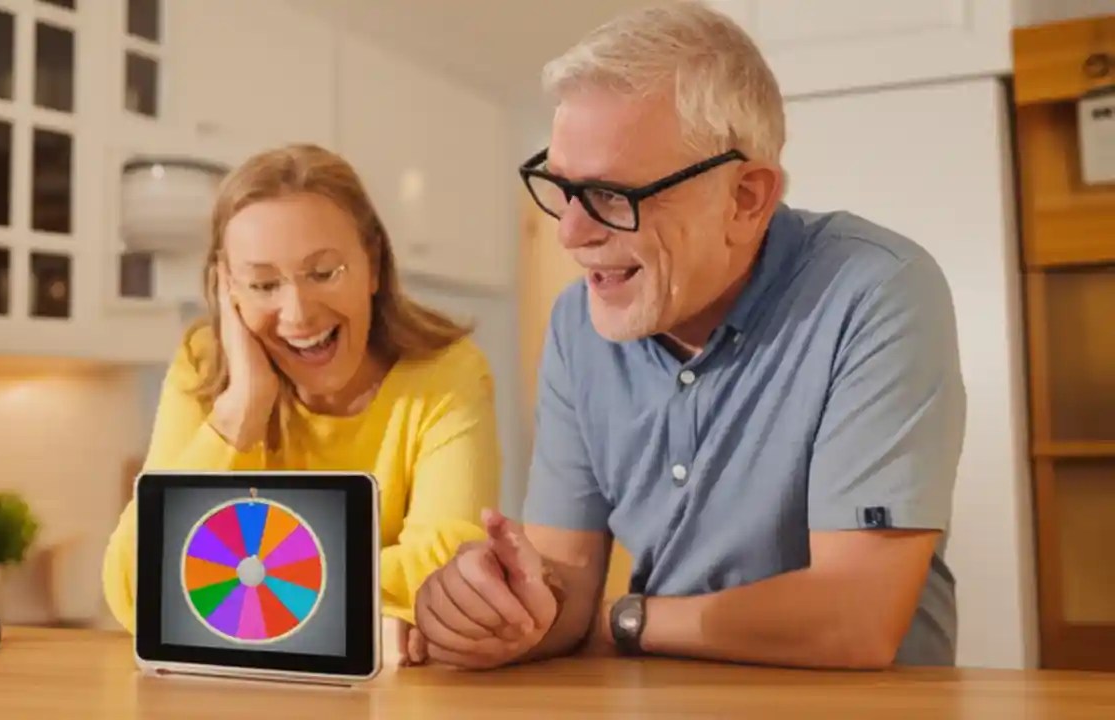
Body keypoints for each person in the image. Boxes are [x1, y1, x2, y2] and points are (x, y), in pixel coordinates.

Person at [411, 0, 966, 670]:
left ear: (746, 198)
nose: (569, 233)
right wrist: (498, 606)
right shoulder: (574, 327)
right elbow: (563, 586)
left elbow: (853, 619)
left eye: (613, 195)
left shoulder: (875, 290)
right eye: (561, 188)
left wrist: (623, 618)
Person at [102, 144, 501, 644]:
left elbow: (444, 568)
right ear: (229, 288)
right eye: (264, 284)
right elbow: (135, 590)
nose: (298, 313)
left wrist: (236, 587)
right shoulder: (205, 364)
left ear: (373, 263)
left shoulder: (448, 375)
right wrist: (241, 409)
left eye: (323, 273)